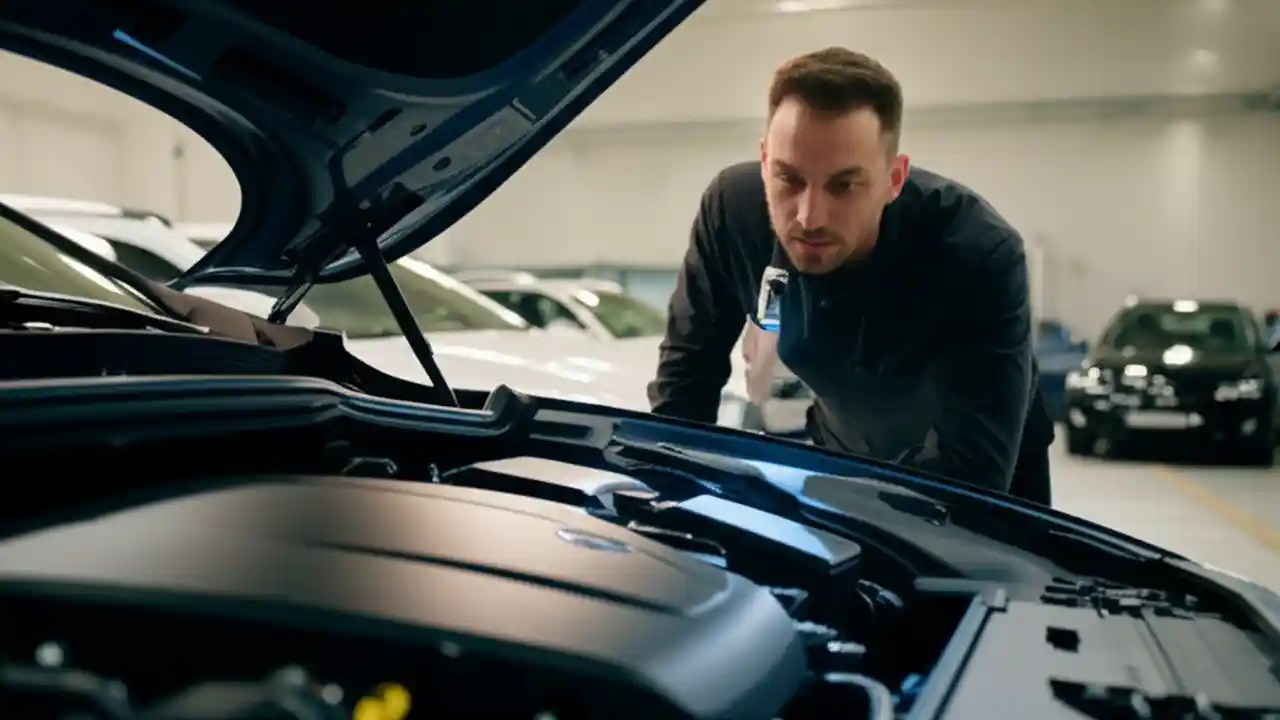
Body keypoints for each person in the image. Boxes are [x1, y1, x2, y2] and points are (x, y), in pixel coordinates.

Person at [647, 47, 1056, 505]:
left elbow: (970, 476)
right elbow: (687, 374)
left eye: (843, 185)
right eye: (789, 179)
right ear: (765, 163)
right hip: (844, 451)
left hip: (980, 476)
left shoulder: (977, 255)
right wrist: (675, 494)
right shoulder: (732, 214)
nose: (808, 216)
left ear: (894, 179)